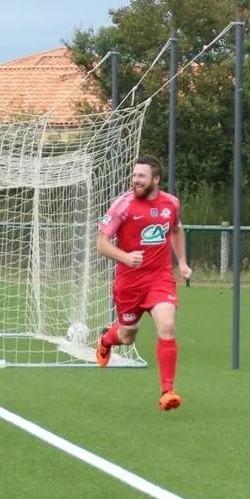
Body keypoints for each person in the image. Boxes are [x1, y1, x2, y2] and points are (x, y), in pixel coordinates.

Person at [95, 154, 192, 412]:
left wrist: (181, 262)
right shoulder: (122, 206)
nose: (136, 180)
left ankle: (167, 391)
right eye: (134, 175)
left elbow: (177, 229)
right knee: (127, 337)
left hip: (160, 277)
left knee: (167, 324)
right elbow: (101, 244)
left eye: (141, 177)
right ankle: (106, 339)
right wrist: (125, 257)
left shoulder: (171, 204)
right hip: (129, 282)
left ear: (156, 180)